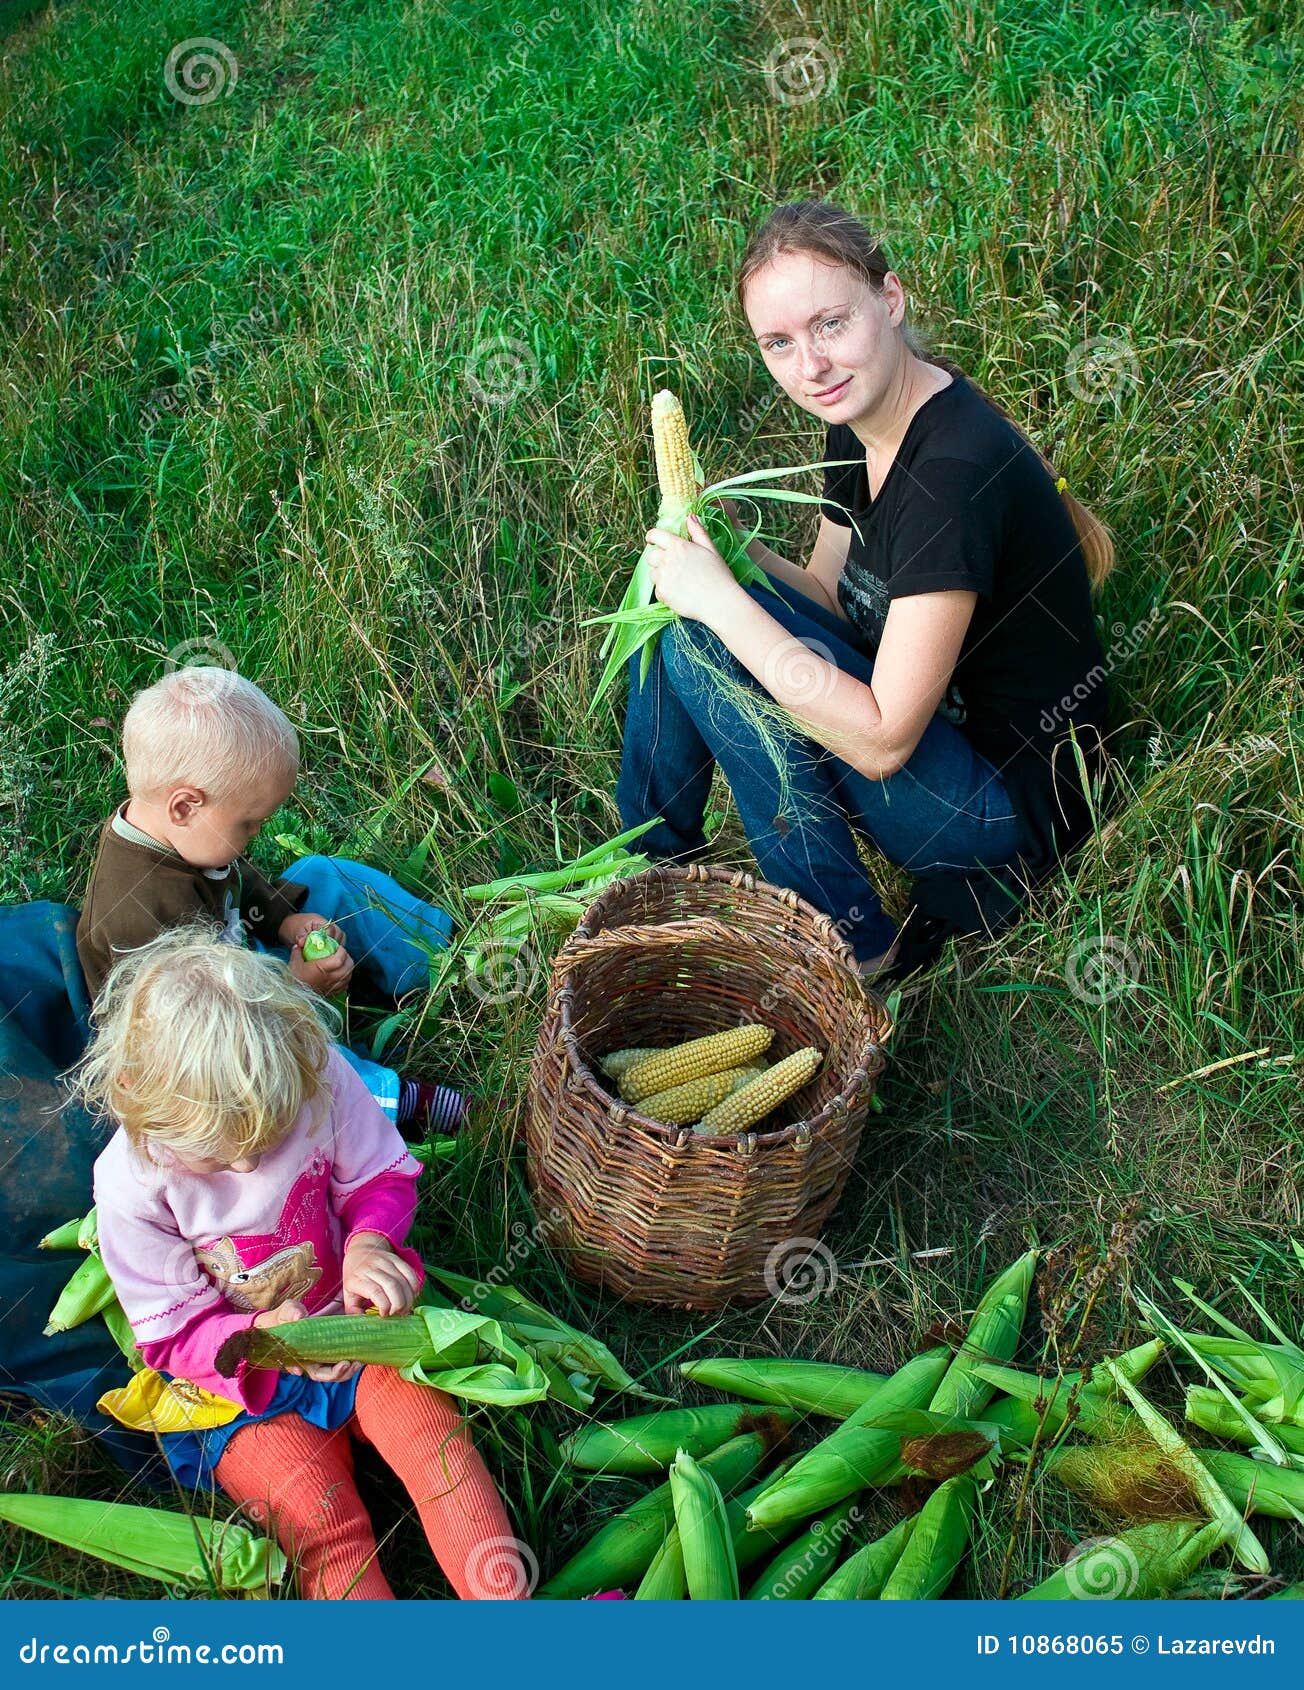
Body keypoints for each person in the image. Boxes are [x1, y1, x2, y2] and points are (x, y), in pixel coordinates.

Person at [616, 200, 1115, 978]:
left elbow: (883, 741)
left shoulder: (951, 478)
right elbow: (826, 592)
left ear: (890, 299)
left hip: (1001, 809)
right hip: (934, 745)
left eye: (830, 325)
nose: (808, 366)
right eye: (778, 343)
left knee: (705, 641)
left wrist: (720, 601)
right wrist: (734, 552)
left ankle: (850, 944)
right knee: (678, 612)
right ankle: (650, 877)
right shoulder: (860, 414)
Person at [80, 930, 530, 1600]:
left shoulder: (316, 1072)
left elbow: (377, 1178)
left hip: (356, 1329)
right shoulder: (130, 1187)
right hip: (236, 1391)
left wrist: (370, 1243)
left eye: (268, 1139)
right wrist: (266, 1344)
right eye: (218, 1155)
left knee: (441, 1451)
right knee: (325, 1527)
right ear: (132, 1095)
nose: (246, 1166)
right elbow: (174, 1338)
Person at [76, 666, 464, 1136]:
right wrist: (295, 990)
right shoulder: (140, 920)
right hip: (204, 1041)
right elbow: (202, 1037)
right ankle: (399, 1105)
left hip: (239, 956)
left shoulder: (186, 836)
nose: (256, 834)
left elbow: (237, 878)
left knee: (325, 875)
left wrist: (285, 921)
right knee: (279, 1065)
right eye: (249, 823)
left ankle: (448, 961)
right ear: (184, 807)